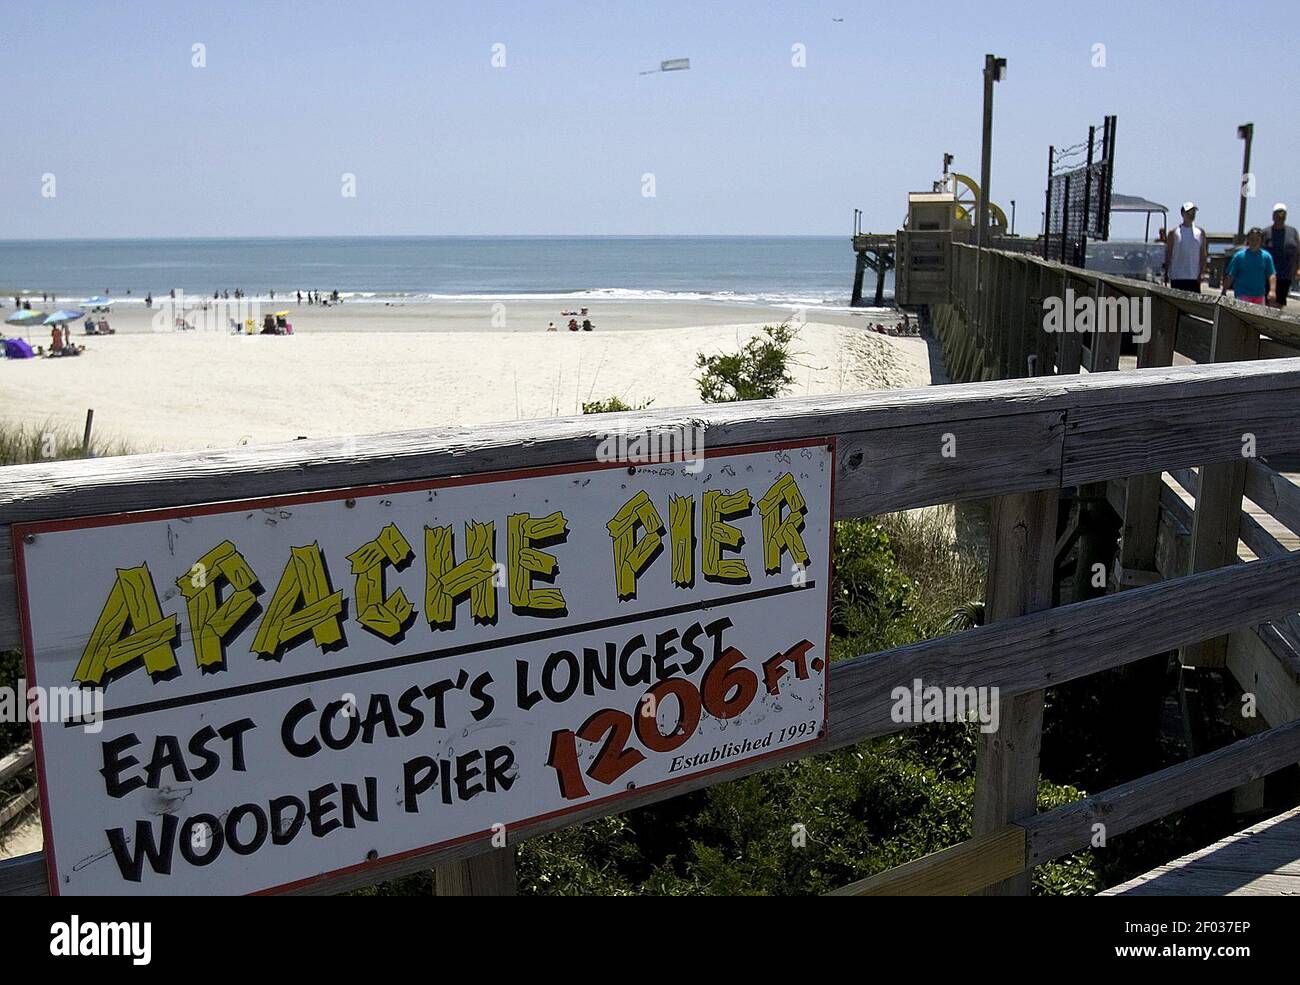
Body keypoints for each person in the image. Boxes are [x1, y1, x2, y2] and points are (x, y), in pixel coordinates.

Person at [1223, 227, 1277, 304]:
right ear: (1248, 239)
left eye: (1257, 239)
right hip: (1242, 294)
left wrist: (1272, 291)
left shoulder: (1266, 256)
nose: (1254, 241)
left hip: (1259, 295)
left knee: (1257, 315)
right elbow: (1231, 275)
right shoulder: (1239, 256)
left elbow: (1271, 274)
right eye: (1252, 239)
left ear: (1261, 240)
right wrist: (1224, 291)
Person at [1165, 202, 1207, 292]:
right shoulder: (1174, 233)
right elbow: (1169, 253)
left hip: (1193, 276)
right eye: (1189, 212)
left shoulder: (1200, 232)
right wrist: (1166, 272)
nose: (1191, 215)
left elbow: (1203, 254)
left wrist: (1202, 273)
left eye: (1193, 212)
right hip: (1177, 276)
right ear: (1183, 214)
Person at [1263, 204, 1298, 307]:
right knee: (1267, 302)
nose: (1280, 217)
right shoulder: (1266, 232)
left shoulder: (1293, 232)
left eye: (1282, 215)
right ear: (1273, 216)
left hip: (1285, 275)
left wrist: (1298, 268)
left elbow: (1298, 251)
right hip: (1267, 274)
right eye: (1277, 215)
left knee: (1279, 304)